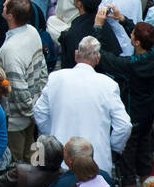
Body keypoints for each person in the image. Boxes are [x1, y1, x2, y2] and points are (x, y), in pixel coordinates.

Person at [33, 35, 133, 174]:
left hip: (60, 160)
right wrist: (112, 148)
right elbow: (124, 125)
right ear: (98, 59)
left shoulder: (56, 78)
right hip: (96, 162)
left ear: (76, 55)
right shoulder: (108, 85)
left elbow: (39, 112)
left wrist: (53, 135)